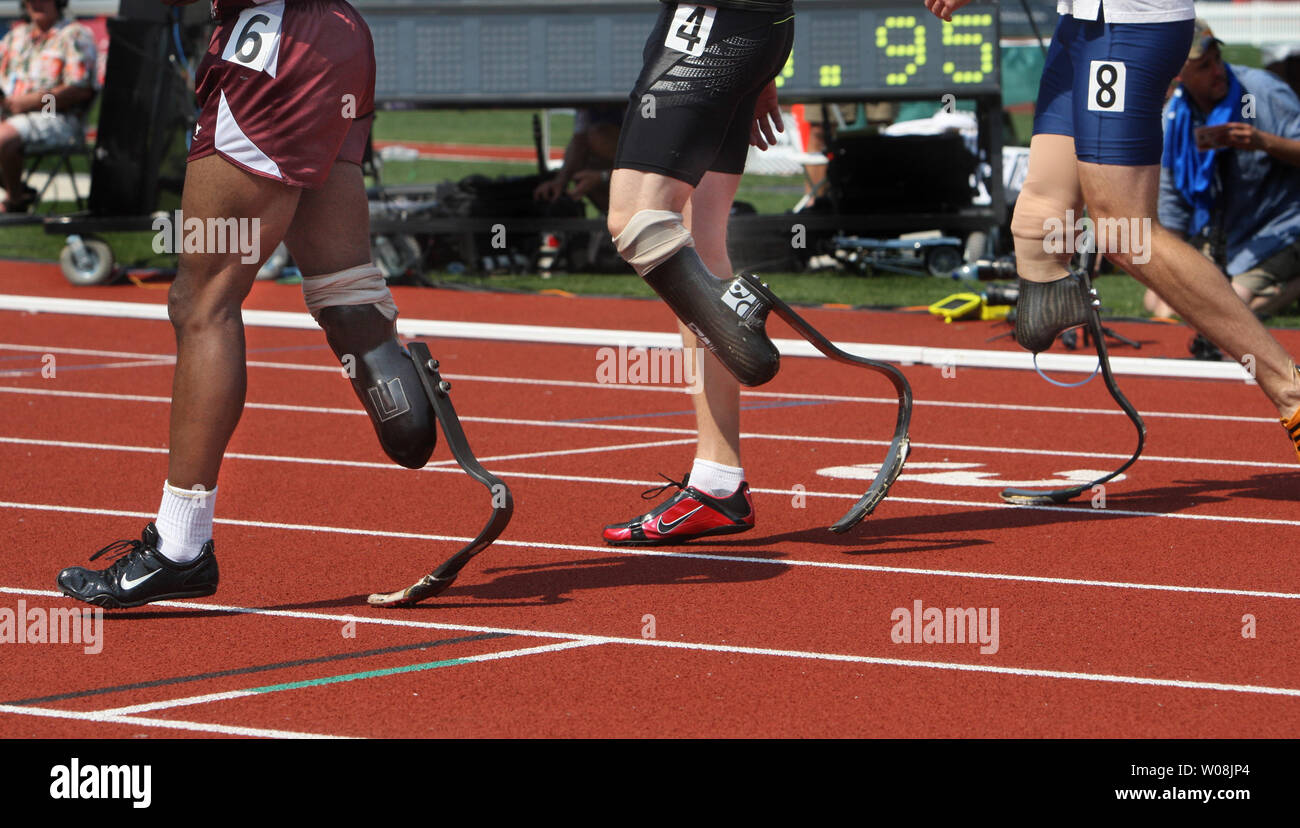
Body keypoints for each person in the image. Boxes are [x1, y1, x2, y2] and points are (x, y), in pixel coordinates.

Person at [57, 0, 442, 607]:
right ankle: (407, 404)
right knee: (339, 280)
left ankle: (180, 547)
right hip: (335, 38)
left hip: (271, 44)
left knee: (201, 300)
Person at [923, 0, 1300, 462]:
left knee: (1126, 234)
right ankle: (1064, 303)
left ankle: (1290, 390)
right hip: (1083, 21)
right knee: (1038, 226)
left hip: (1129, 23)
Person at [600, 1, 793, 545]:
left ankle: (739, 331)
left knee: (638, 220)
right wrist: (761, 63)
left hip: (709, 23)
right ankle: (718, 483)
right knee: (699, 240)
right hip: (752, 28)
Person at [1144, 21, 1300, 322]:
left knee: (1231, 304)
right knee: (1161, 303)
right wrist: (1171, 270)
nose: (1217, 71)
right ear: (1178, 75)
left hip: (1281, 225)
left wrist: (1264, 142)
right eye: (1204, 66)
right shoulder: (1173, 120)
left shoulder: (1257, 93)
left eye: (1217, 58)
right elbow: (1172, 203)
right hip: (1223, 232)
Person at [0, 0, 96, 213]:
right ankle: (19, 189)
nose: (36, 3)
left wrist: (31, 102)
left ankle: (15, 199)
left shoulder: (74, 35)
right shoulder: (15, 37)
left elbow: (81, 90)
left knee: (3, 136)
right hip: (9, 116)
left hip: (56, 117)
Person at [534, 105, 624, 215]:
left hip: (633, 177)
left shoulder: (637, 102)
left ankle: (622, 216)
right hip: (618, 171)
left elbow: (646, 161)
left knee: (597, 136)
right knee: (579, 167)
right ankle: (609, 216)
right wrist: (560, 181)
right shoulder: (587, 102)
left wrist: (602, 176)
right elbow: (578, 142)